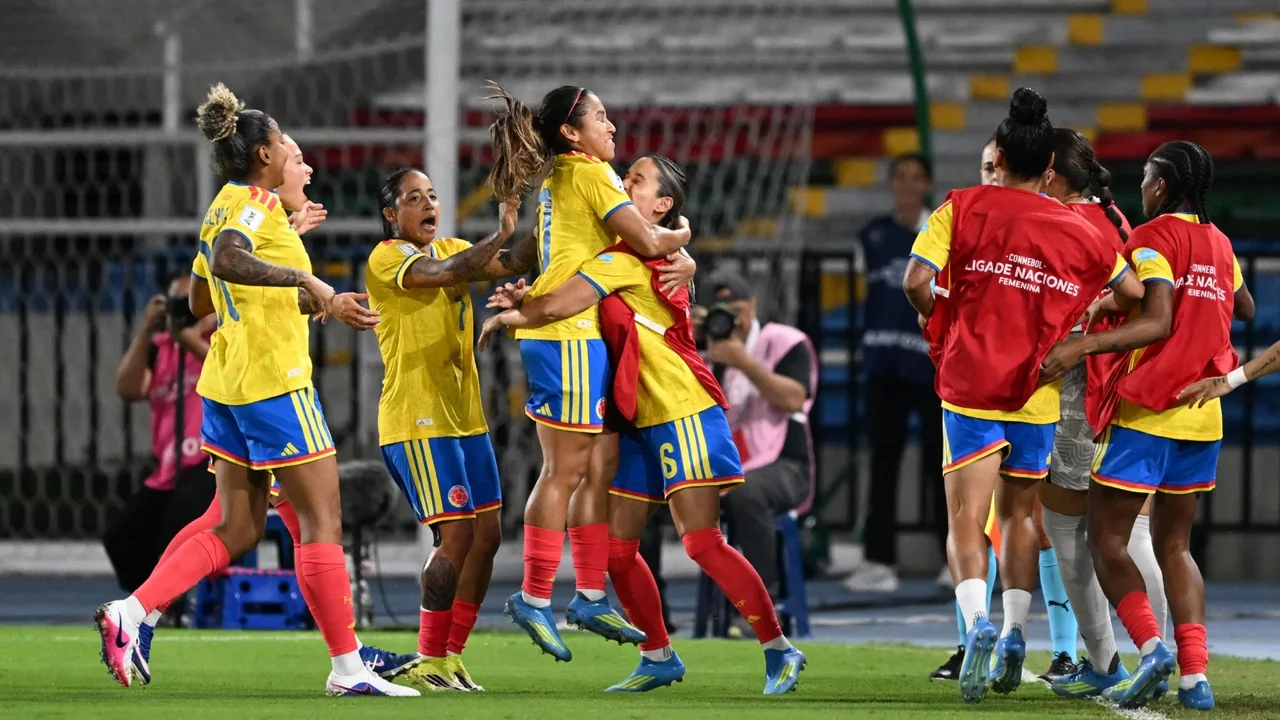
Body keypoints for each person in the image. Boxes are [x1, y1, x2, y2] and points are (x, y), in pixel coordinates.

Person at [92, 84, 416, 697]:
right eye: (294, 155)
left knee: (234, 525)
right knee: (323, 520)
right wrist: (307, 278)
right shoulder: (251, 208)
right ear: (265, 155)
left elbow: (199, 298)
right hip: (275, 386)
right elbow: (228, 260)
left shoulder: (229, 205)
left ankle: (135, 612)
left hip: (228, 385)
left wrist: (301, 279)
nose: (306, 165)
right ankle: (348, 670)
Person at [478, 154, 807, 695]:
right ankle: (658, 655)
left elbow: (562, 302)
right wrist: (529, 295)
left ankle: (779, 649)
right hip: (637, 417)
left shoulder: (631, 257)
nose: (621, 183)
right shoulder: (642, 251)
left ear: (662, 204)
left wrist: (515, 313)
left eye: (635, 180)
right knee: (617, 550)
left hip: (682, 408)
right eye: (623, 175)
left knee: (701, 543)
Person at [902, 88, 1144, 705]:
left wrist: (943, 321)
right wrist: (1077, 313)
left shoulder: (962, 206)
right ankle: (1014, 634)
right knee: (1018, 520)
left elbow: (916, 281)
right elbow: (1134, 291)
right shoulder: (1080, 228)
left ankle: (976, 625)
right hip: (1036, 394)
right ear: (1048, 168)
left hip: (971, 386)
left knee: (966, 521)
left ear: (1002, 156)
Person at [1041, 141, 1255, 711]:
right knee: (1176, 547)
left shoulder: (1153, 237)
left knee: (1106, 539)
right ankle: (1195, 677)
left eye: (1147, 179)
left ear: (1161, 187)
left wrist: (1083, 343)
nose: (1141, 187)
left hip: (1149, 410)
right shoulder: (1221, 242)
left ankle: (1151, 647)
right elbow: (1246, 307)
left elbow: (1158, 318)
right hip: (1203, 419)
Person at [484, 83, 692, 660]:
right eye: (601, 117)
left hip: (577, 335)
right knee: (564, 471)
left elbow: (543, 251)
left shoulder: (561, 179)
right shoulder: (592, 175)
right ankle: (533, 595)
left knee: (598, 463)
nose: (613, 128)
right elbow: (649, 240)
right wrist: (686, 239)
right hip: (568, 336)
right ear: (572, 132)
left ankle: (592, 592)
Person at [364, 167, 520, 692]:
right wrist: (498, 233)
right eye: (415, 197)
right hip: (417, 418)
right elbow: (451, 271)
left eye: (432, 194)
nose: (429, 203)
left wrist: (558, 223)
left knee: (488, 535)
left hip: (464, 419)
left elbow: (511, 261)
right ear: (393, 215)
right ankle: (429, 657)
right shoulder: (387, 258)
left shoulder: (452, 246)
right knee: (455, 534)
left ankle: (451, 656)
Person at [1036, 129, 1168, 700]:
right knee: (1130, 525)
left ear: (1049, 173)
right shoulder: (1116, 218)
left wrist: (1085, 321)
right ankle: (1165, 658)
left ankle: (1108, 659)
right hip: (1128, 382)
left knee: (1066, 521)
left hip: (1078, 384)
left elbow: (1132, 294)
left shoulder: (1068, 222)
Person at [844, 153, 944, 594]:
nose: (906, 185)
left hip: (930, 364)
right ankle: (878, 560)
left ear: (926, 184)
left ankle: (953, 561)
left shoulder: (940, 234)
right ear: (891, 184)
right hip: (883, 365)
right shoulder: (873, 236)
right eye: (899, 176)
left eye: (914, 177)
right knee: (882, 462)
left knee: (940, 466)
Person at [696, 271, 816, 606]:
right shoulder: (698, 350)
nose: (731, 319)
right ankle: (652, 610)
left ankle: (764, 603)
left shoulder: (784, 342)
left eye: (736, 307)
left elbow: (794, 398)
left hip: (785, 465)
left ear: (752, 304)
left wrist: (743, 363)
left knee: (746, 492)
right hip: (718, 463)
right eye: (719, 311)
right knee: (647, 492)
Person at [103, 273, 217, 597]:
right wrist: (146, 330)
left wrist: (190, 340)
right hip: (170, 468)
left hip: (214, 461)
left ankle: (174, 601)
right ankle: (146, 603)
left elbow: (231, 376)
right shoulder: (160, 348)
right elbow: (128, 388)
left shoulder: (223, 338)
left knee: (178, 520)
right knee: (121, 536)